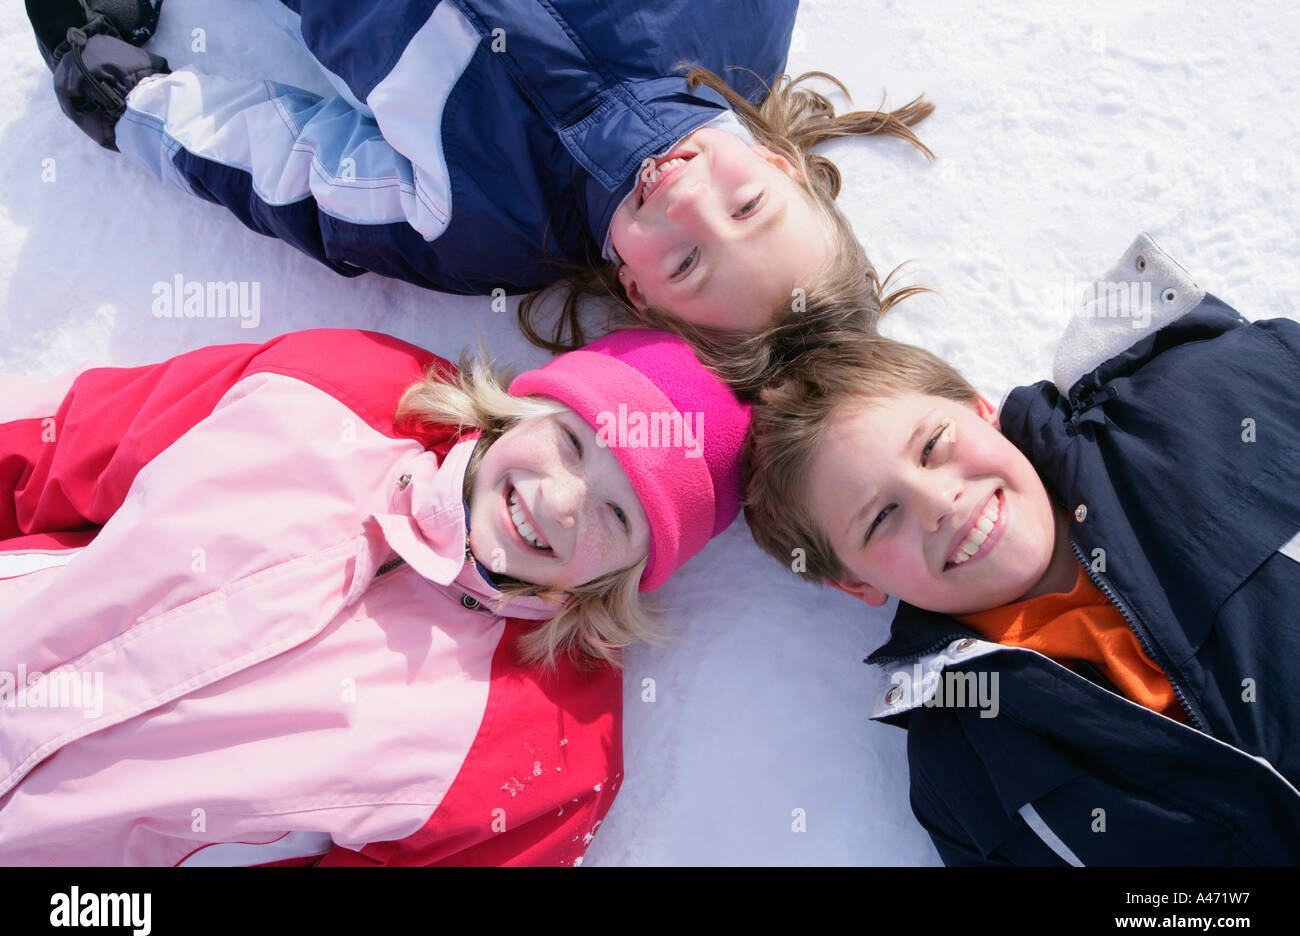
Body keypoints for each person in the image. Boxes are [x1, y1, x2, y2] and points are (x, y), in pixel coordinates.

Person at [0, 325, 750, 865]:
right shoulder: (337, 389)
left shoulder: (544, 748)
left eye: (617, 515)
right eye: (571, 442)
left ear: (626, 578)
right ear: (521, 408)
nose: (560, 500)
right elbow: (62, 446)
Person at [25, 0, 934, 390]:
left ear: (638, 294)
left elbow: (288, 168)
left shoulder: (484, 224)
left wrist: (134, 105)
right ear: (782, 164)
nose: (690, 203)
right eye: (748, 209)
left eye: (689, 262)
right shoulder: (733, 21)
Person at [741, 233, 1300, 865]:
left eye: (932, 447)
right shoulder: (966, 771)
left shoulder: (1214, 400)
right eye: (882, 518)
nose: (939, 502)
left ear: (983, 410)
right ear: (853, 581)